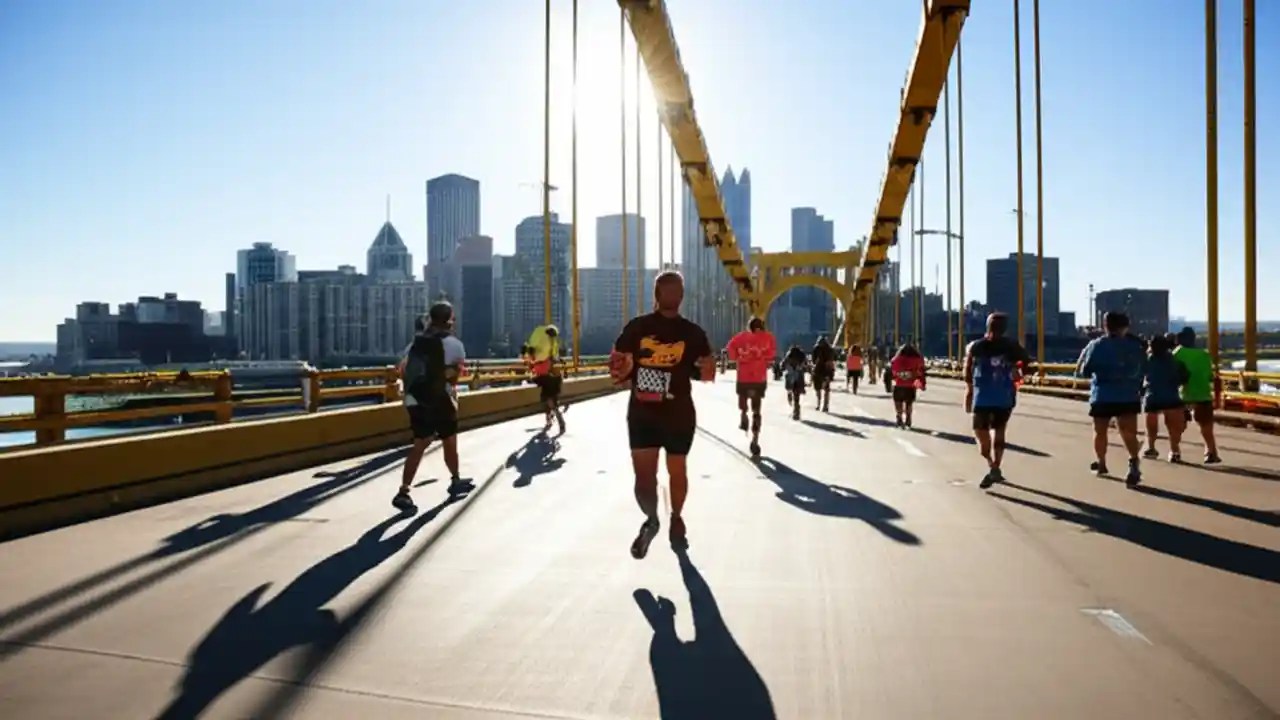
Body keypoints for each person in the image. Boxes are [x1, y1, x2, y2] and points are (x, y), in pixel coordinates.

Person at [610, 271, 714, 559]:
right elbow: (705, 372)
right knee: (674, 470)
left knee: (647, 477)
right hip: (673, 413)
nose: (673, 296)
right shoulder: (691, 332)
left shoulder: (640, 327)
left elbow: (705, 371)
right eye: (671, 291)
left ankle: (655, 518)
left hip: (651, 413)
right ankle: (674, 518)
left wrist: (707, 366)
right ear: (666, 296)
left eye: (675, 291)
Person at [394, 302, 470, 511]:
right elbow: (454, 377)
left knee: (419, 444)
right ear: (450, 320)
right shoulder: (454, 345)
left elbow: (402, 370)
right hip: (441, 400)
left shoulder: (415, 344)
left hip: (415, 399)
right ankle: (455, 480)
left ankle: (404, 490)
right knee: (449, 441)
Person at [1075, 311, 1146, 486]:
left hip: (1102, 394)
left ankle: (1101, 462)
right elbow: (1144, 368)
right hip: (1128, 395)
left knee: (1100, 431)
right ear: (1126, 327)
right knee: (1128, 432)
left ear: (1105, 326)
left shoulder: (1096, 345)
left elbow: (1084, 371)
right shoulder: (1135, 346)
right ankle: (1133, 462)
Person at [963, 313, 1029, 488]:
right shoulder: (1012, 347)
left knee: (981, 434)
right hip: (1004, 396)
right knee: (999, 432)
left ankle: (992, 465)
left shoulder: (976, 346)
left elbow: (967, 371)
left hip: (982, 397)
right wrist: (1018, 377)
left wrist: (969, 392)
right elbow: (1027, 363)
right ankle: (995, 467)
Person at [725, 316, 777, 458]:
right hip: (759, 378)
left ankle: (743, 414)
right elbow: (772, 354)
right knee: (757, 409)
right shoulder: (768, 338)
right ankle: (755, 439)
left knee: (742, 400)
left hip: (743, 377)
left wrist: (739, 357)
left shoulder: (741, 337)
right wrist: (761, 357)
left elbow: (730, 349)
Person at [1173, 327, 1221, 464]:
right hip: (1203, 394)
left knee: (1177, 427)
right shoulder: (1205, 355)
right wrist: (1217, 399)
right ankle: (1211, 452)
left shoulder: (1176, 353)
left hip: (1182, 395)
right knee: (1206, 427)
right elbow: (1211, 377)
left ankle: (1175, 451)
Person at [1142, 334, 1187, 462]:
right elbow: (1183, 377)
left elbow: (1139, 375)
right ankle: (1175, 451)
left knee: (1151, 426)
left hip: (1152, 395)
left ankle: (1151, 447)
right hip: (1171, 395)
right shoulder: (1173, 360)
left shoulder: (1147, 360)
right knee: (1173, 427)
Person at [526, 324, 565, 435]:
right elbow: (556, 357)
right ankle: (555, 415)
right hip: (553, 374)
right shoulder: (554, 344)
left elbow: (531, 356)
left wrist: (531, 366)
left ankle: (549, 417)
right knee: (553, 396)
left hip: (542, 374)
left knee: (545, 396)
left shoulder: (539, 339)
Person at [890, 344, 926, 428]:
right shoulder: (918, 359)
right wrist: (922, 383)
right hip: (911, 385)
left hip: (899, 384)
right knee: (909, 403)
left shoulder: (896, 359)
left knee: (898, 402)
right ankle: (908, 417)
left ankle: (899, 416)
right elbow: (921, 372)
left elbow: (892, 370)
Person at [810, 335, 837, 412]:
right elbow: (834, 358)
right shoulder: (830, 349)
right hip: (827, 371)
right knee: (826, 389)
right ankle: (825, 405)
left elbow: (813, 360)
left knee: (818, 389)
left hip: (818, 370)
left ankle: (818, 404)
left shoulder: (816, 348)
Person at [782, 345, 809, 421]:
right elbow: (806, 365)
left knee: (790, 391)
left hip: (790, 377)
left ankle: (794, 408)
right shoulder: (802, 355)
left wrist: (783, 368)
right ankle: (796, 412)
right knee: (797, 396)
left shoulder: (789, 354)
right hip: (799, 377)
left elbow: (783, 364)